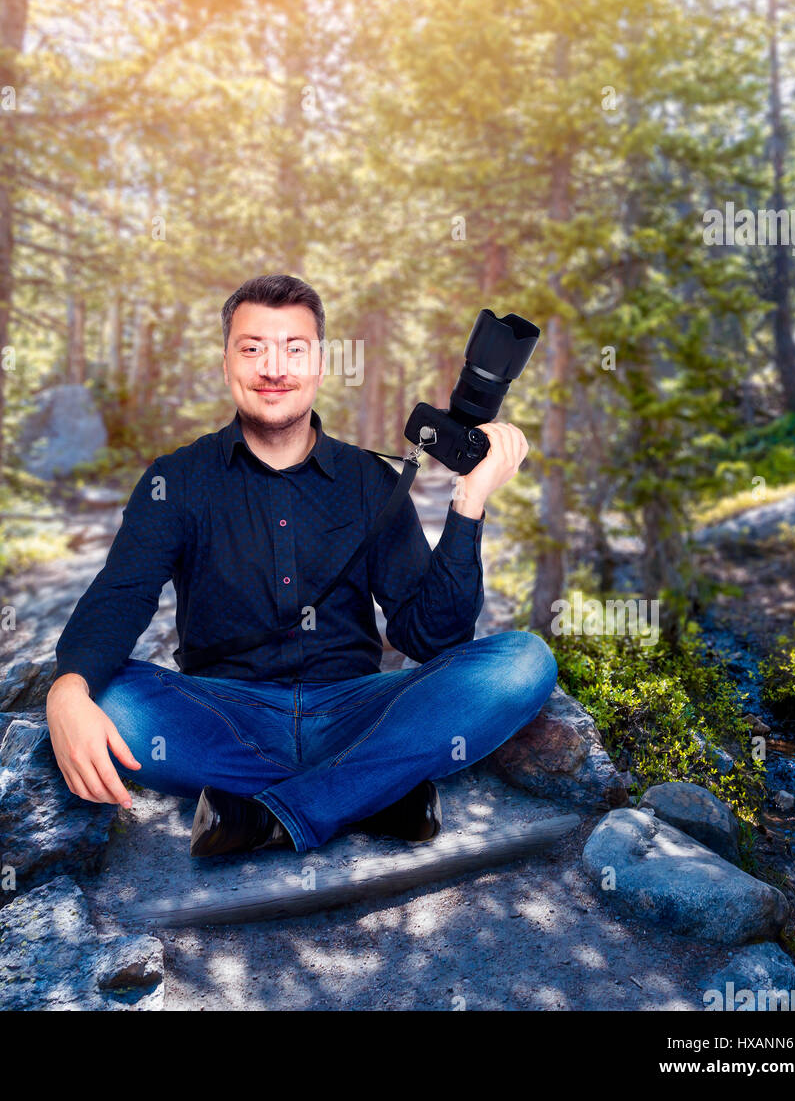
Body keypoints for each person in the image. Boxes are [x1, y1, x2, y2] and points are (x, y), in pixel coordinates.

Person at [46, 273, 557, 857]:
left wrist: (470, 500)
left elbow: (433, 636)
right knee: (108, 696)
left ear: (318, 365)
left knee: (523, 661)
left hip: (356, 709)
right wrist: (66, 690)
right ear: (227, 363)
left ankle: (278, 813)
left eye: (294, 348)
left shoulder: (370, 481)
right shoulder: (176, 480)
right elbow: (123, 593)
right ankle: (373, 792)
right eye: (252, 347)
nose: (274, 367)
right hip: (225, 714)